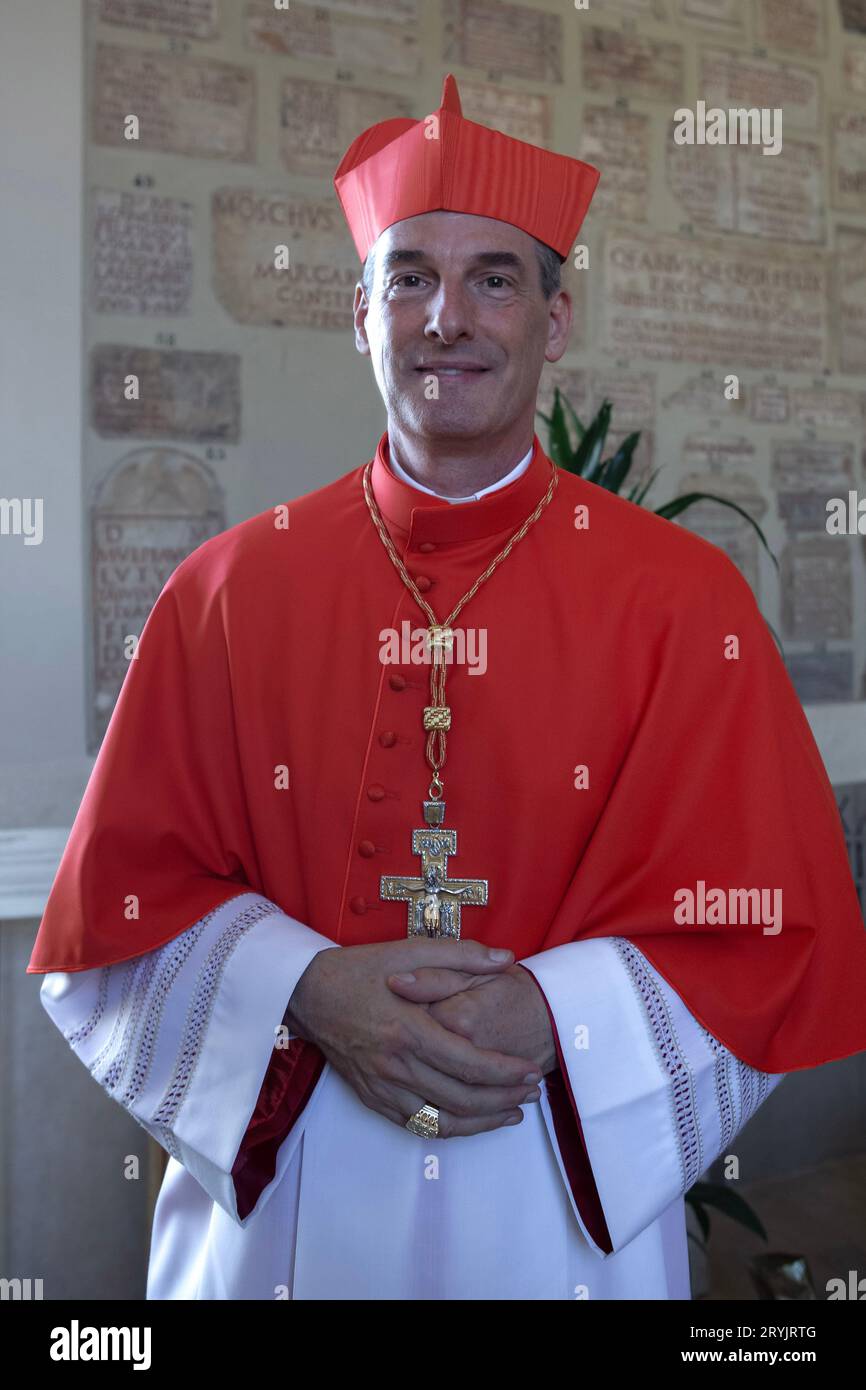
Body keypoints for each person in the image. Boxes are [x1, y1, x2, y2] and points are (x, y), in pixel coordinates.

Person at [29, 75, 866, 1301]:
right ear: (357, 312)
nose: (447, 318)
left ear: (553, 322)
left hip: (551, 1186)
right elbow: (113, 915)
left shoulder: (680, 601)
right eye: (409, 276)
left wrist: (556, 1012)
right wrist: (310, 988)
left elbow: (767, 922)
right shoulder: (224, 590)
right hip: (285, 1203)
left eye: (493, 279)